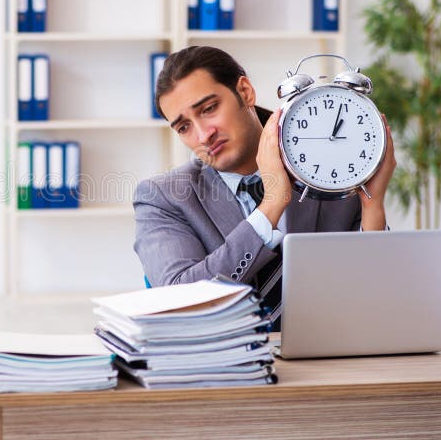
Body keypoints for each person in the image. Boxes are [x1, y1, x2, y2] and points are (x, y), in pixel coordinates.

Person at [133, 46, 396, 327]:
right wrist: (271, 204)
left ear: (245, 91)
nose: (203, 135)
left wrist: (373, 206)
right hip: (228, 365)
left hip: (329, 357)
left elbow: (372, 300)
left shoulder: (335, 169)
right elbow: (180, 299)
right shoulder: (163, 198)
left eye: (209, 109)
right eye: (184, 127)